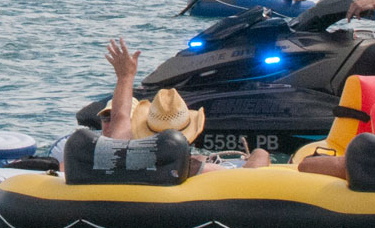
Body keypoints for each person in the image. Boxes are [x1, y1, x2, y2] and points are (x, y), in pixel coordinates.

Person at [99, 39, 269, 170]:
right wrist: (260, 153)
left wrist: (125, 76)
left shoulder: (122, 157)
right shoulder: (197, 171)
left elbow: (120, 117)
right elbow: (252, 176)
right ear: (190, 135)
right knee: (261, 153)